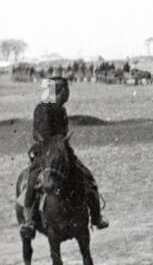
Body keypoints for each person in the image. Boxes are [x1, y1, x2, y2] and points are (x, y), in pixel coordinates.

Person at [19, 77, 109, 229]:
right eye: (65, 91)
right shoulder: (42, 109)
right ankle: (28, 221)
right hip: (45, 152)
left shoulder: (61, 110)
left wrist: (63, 143)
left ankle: (96, 216)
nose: (67, 95)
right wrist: (54, 142)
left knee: (87, 176)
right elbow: (39, 134)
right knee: (33, 179)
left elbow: (64, 131)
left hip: (62, 150)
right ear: (57, 92)